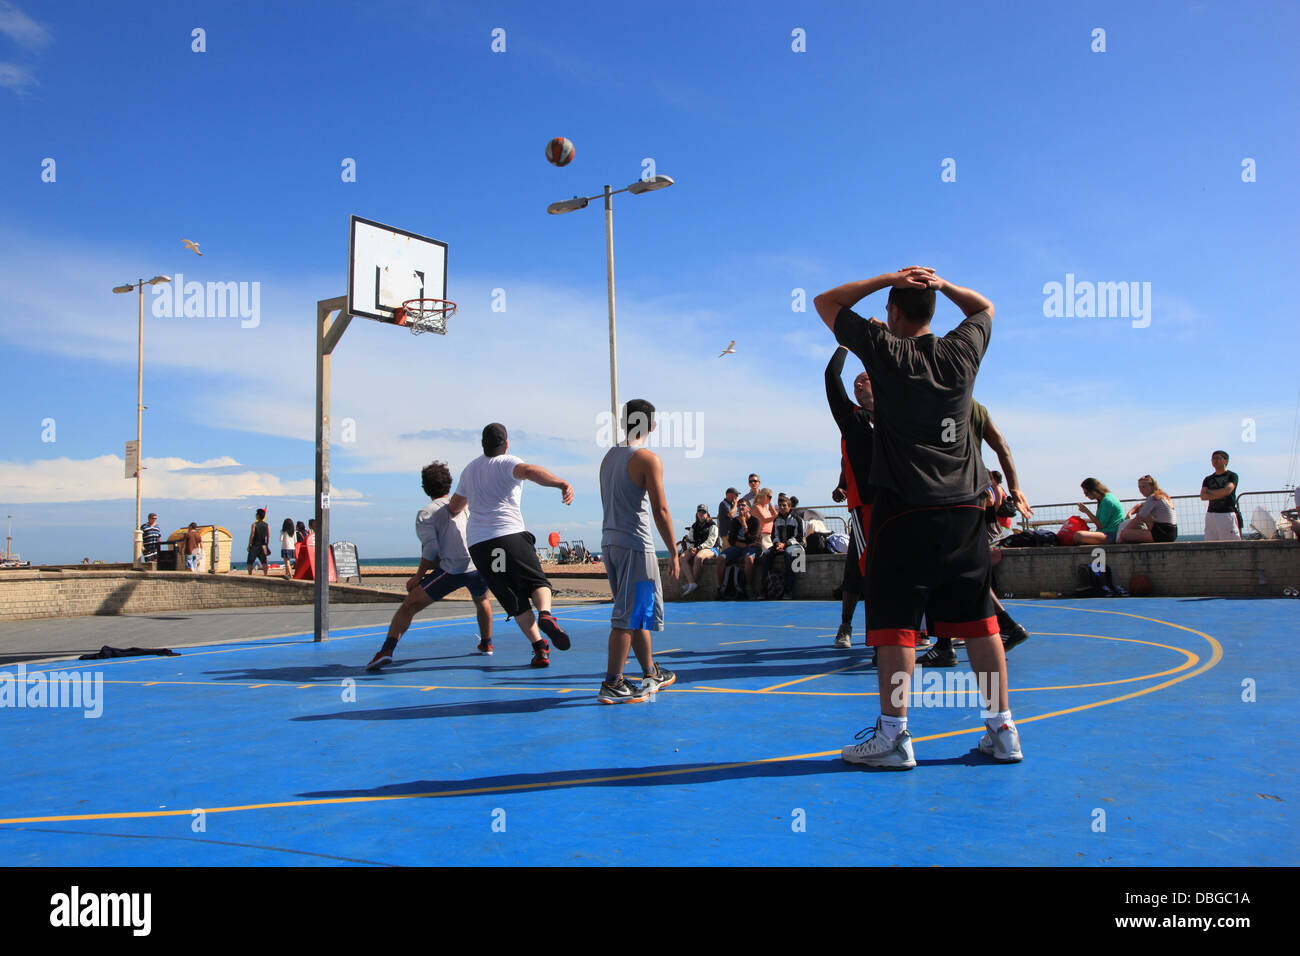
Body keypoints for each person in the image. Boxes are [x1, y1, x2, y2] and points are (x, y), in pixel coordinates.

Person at [815, 265, 1021, 768]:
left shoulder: (887, 351)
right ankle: (1003, 730)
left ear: (892, 312)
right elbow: (984, 307)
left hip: (904, 510)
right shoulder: (960, 350)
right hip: (967, 508)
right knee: (981, 622)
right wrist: (944, 285)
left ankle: (893, 737)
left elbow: (826, 302)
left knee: (895, 627)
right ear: (931, 310)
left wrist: (887, 276)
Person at [447, 423, 573, 668]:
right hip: (509, 535)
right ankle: (546, 614)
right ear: (506, 444)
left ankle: (540, 648)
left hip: (480, 545)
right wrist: (561, 484)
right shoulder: (507, 462)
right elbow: (529, 470)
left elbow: (455, 505)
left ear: (482, 444)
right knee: (538, 583)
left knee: (515, 601)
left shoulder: (469, 470)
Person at [919, 403, 1034, 666]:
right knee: (960, 567)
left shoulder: (931, 400)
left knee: (940, 566)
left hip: (946, 493)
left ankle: (954, 641)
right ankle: (949, 641)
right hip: (972, 493)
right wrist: (1014, 488)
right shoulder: (974, 406)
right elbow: (1001, 445)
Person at [366, 461, 495, 670]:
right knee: (482, 600)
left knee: (408, 606)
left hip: (452, 569)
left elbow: (431, 549)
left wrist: (418, 576)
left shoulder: (426, 513)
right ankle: (487, 643)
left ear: (425, 487)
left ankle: (387, 650)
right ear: (449, 484)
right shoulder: (465, 506)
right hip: (475, 565)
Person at [596, 400, 679, 702]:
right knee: (626, 616)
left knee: (639, 612)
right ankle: (612, 682)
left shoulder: (608, 458)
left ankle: (650, 671)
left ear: (623, 423)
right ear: (652, 426)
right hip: (636, 546)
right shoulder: (647, 459)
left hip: (611, 543)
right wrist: (674, 550)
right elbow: (661, 509)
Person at [825, 346, 875, 648]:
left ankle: (923, 632)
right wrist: (847, 342)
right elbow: (832, 375)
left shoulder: (895, 416)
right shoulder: (851, 419)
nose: (858, 384)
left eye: (864, 379)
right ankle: (849, 626)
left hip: (897, 503)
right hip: (864, 505)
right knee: (861, 568)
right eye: (854, 382)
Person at [760, 493, 804, 599]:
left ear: (789, 506)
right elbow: (774, 535)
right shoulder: (776, 520)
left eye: (784, 505)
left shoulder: (797, 519)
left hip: (794, 545)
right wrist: (778, 544)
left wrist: (786, 544)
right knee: (765, 555)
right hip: (779, 545)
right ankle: (764, 590)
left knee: (789, 554)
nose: (782, 508)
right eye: (780, 506)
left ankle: (788, 590)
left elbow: (798, 536)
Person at [715, 499, 759, 598]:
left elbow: (752, 539)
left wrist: (744, 524)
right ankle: (720, 588)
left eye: (743, 505)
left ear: (749, 508)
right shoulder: (735, 521)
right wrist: (743, 545)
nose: (741, 507)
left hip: (752, 548)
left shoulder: (755, 521)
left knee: (749, 559)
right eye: (739, 506)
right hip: (739, 547)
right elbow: (731, 540)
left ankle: (748, 587)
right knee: (720, 558)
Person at [1120, 476, 1178, 543]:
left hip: (1162, 534)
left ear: (1152, 486)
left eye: (1144, 487)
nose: (1141, 490)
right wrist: (1130, 513)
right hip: (1172, 533)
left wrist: (1125, 530)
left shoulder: (1153, 498)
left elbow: (1139, 518)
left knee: (1124, 534)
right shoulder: (1162, 496)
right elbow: (1141, 506)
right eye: (1139, 487)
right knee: (1144, 511)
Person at [1201, 450, 1242, 541]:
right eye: (1213, 458)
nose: (1215, 461)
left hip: (1226, 514)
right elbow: (1203, 496)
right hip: (1211, 514)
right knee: (1211, 542)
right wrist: (1220, 493)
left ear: (1226, 461)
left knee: (1231, 542)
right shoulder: (1208, 479)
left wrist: (1210, 492)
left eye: (1218, 458)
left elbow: (1227, 491)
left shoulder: (1232, 476)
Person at [679, 504, 719, 596]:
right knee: (683, 557)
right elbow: (691, 540)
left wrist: (698, 548)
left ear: (707, 514)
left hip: (711, 548)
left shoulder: (712, 525)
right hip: (697, 548)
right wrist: (691, 547)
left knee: (699, 557)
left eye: (704, 512)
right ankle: (692, 582)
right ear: (697, 514)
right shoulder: (694, 526)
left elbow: (711, 541)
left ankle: (692, 583)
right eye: (700, 512)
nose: (701, 514)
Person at [1073, 478, 1125, 545]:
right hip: (1108, 532)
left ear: (1093, 490)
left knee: (1078, 535)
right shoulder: (1103, 499)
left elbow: (1100, 525)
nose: (1085, 495)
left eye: (1086, 493)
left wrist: (1087, 511)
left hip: (1111, 535)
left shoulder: (1107, 501)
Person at [246, 508, 271, 575]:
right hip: (263, 545)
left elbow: (252, 534)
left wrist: (249, 545)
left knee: (250, 561)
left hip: (255, 545)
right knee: (264, 561)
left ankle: (250, 574)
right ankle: (265, 574)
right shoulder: (267, 525)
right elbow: (268, 536)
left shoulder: (254, 524)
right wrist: (267, 545)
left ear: (258, 516)